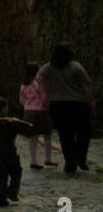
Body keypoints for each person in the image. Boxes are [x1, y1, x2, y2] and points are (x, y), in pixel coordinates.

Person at [36, 43, 95, 175]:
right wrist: (90, 100)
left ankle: (70, 163)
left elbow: (39, 77)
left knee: (65, 135)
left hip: (57, 105)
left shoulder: (49, 67)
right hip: (77, 104)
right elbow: (86, 84)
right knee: (84, 132)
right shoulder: (76, 67)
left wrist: (46, 92)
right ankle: (80, 157)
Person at [0, 97, 34, 206]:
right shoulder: (5, 122)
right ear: (3, 108)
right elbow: (15, 133)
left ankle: (0, 197)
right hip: (9, 152)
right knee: (16, 172)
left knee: (2, 175)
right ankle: (11, 192)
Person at [19, 60, 54, 169]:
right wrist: (47, 104)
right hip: (40, 111)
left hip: (28, 111)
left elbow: (21, 100)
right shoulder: (38, 84)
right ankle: (48, 159)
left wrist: (28, 104)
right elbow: (44, 95)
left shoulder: (23, 85)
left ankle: (33, 160)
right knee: (47, 134)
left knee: (32, 137)